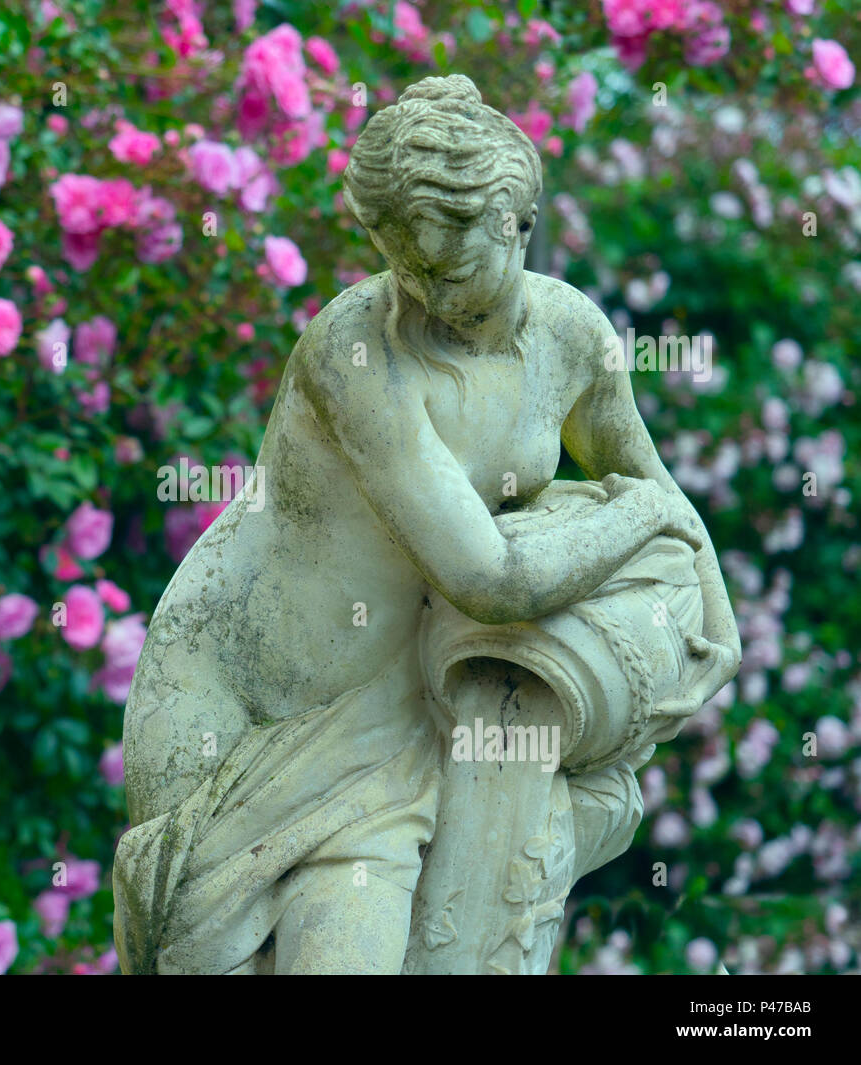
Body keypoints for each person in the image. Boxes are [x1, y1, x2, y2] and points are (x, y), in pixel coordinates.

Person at [115, 74, 740, 975]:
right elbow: (488, 579)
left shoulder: (572, 339)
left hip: (404, 713)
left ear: (517, 222)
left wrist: (713, 632)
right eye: (400, 262)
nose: (423, 291)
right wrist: (641, 513)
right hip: (251, 714)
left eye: (450, 266)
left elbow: (657, 491)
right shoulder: (357, 351)